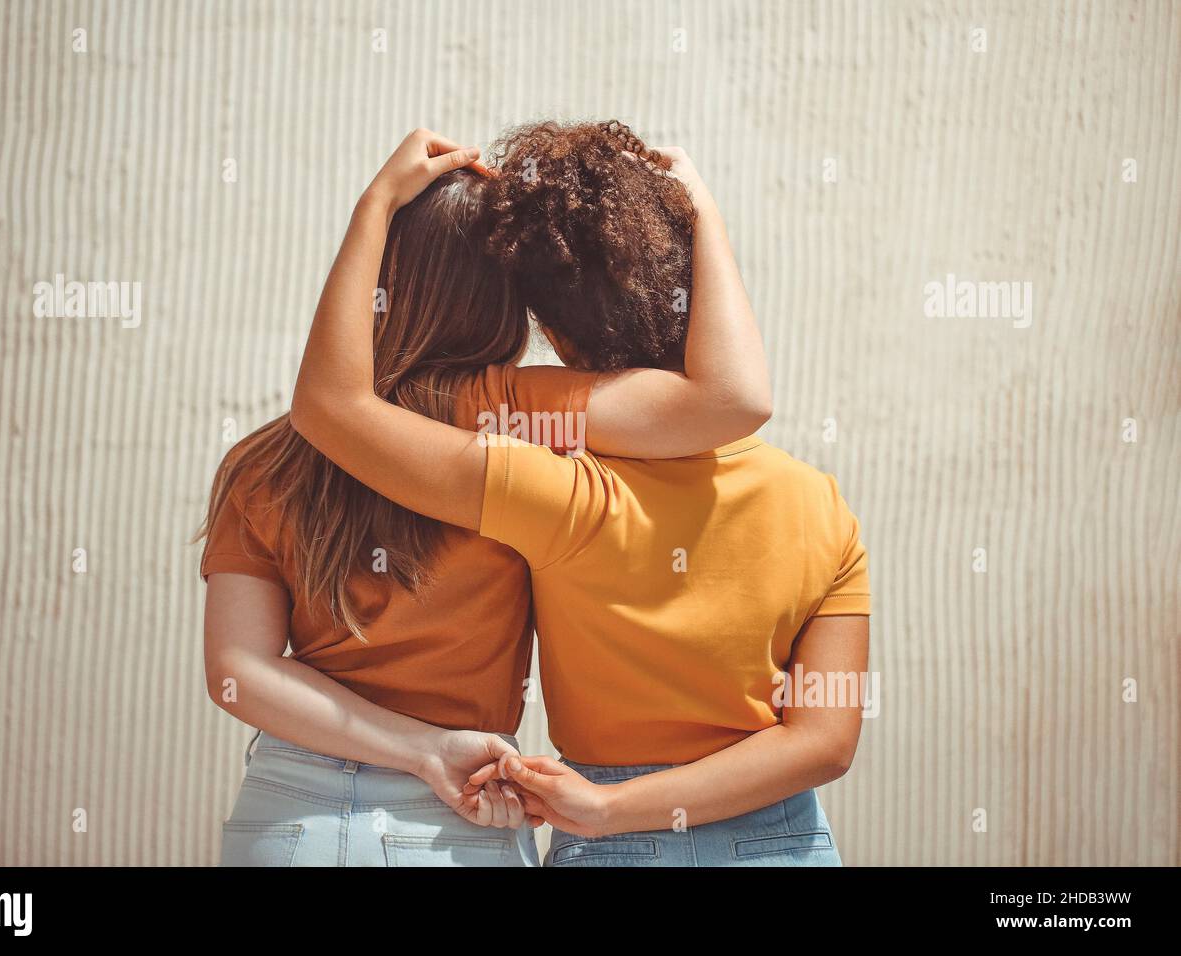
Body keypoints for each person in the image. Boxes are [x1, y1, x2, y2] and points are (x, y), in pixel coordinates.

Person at [293, 122, 869, 867]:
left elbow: (334, 406)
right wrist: (703, 218)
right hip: (788, 837)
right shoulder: (822, 507)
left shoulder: (553, 488)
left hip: (617, 846)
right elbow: (825, 743)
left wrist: (376, 206)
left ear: (559, 341)